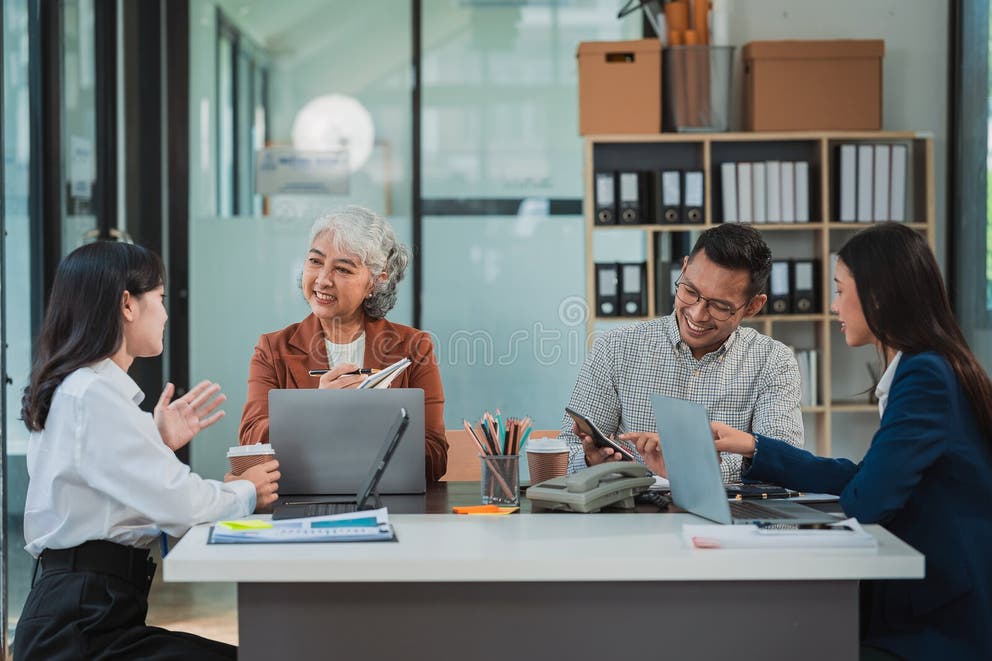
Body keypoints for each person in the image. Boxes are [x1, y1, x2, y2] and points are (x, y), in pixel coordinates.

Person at [711, 223, 992, 659]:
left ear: (878, 297)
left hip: (944, 623)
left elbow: (867, 500)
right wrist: (752, 445)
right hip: (928, 604)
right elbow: (868, 479)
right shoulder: (928, 366)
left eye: (841, 290)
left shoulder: (924, 376)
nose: (833, 305)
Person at [15, 241, 280, 660]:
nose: (167, 313)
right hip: (82, 630)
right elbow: (178, 502)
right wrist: (247, 490)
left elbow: (112, 486)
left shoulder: (81, 391)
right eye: (159, 297)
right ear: (127, 303)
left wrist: (153, 441)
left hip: (79, 619)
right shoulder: (92, 395)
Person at [561, 223, 803, 481]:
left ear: (753, 306)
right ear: (684, 268)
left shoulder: (774, 362)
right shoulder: (616, 347)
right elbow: (565, 451)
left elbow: (784, 461)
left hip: (731, 517)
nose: (697, 314)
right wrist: (590, 460)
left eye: (720, 306)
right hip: (633, 514)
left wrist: (691, 471)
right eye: (690, 291)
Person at [239, 205, 448, 481]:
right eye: (315, 261)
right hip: (301, 503)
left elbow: (434, 459)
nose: (323, 280)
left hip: (390, 504)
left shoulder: (414, 347)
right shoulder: (272, 349)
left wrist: (370, 417)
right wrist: (318, 410)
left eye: (342, 269)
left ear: (375, 281)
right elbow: (250, 445)